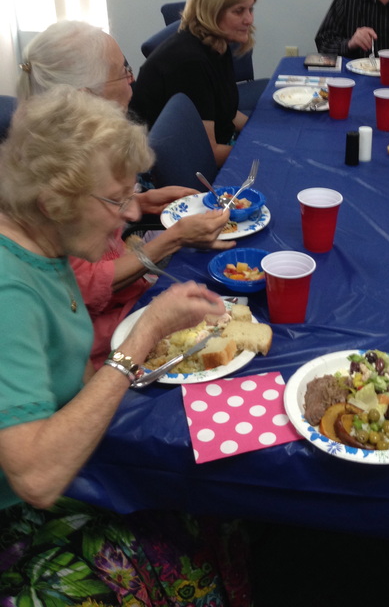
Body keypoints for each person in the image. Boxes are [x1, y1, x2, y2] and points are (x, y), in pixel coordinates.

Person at [0, 87, 251, 605]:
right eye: (117, 200)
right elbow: (37, 479)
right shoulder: (9, 292)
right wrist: (142, 338)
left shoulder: (48, 243)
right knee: (180, 544)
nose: (132, 213)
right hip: (18, 517)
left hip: (68, 468)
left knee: (208, 500)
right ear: (52, 201)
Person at [19, 20, 234, 375]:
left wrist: (143, 200)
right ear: (88, 93)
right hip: (98, 339)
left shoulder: (78, 144)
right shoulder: (54, 173)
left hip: (126, 302)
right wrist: (171, 239)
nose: (133, 80)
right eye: (123, 71)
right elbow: (83, 288)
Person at [130, 0, 257, 165]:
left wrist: (260, 133)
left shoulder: (217, 42)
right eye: (239, 11)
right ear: (212, 11)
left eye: (250, 9)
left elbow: (227, 114)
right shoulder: (190, 64)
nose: (249, 19)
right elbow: (208, 153)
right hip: (168, 168)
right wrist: (260, 153)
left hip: (214, 147)